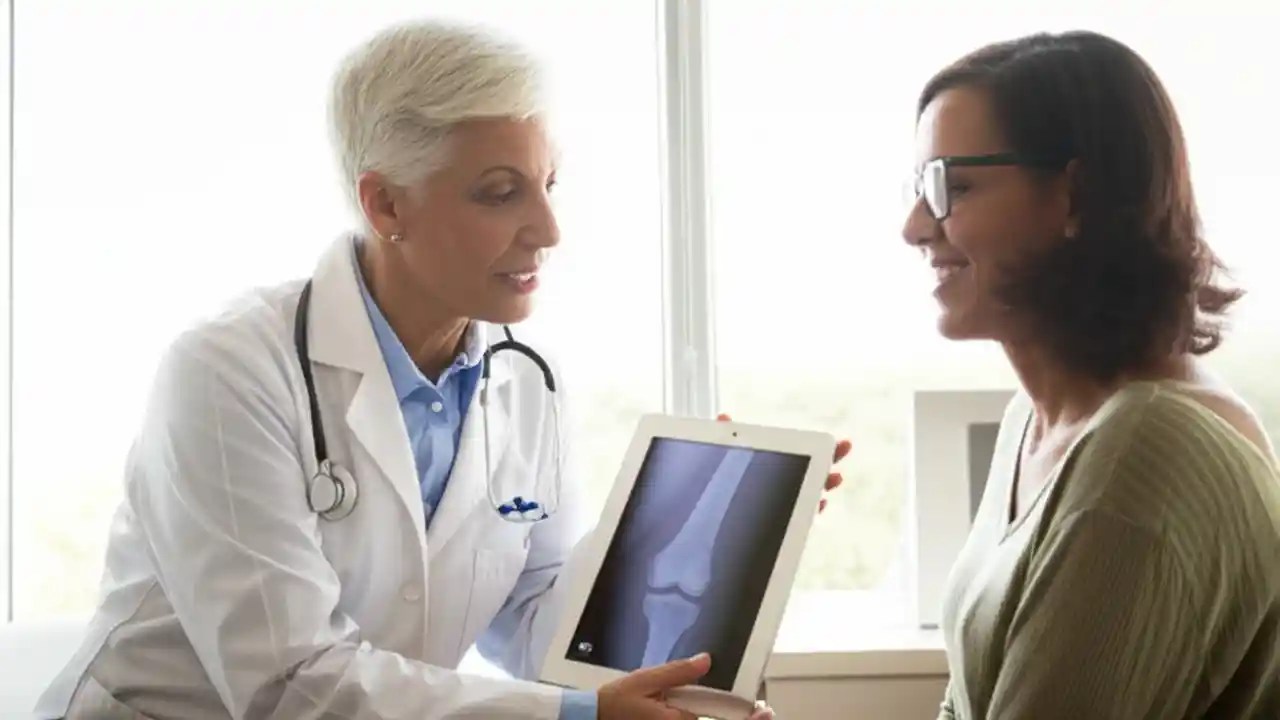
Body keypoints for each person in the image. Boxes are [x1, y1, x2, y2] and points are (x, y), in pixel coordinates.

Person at [35, 20, 844, 720]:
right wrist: (576, 716)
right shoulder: (228, 372)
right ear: (386, 205)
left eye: (549, 183)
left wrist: (669, 524)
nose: (549, 228)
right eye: (500, 193)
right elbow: (289, 686)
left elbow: (536, 631)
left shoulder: (528, 380)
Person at [901, 30, 1280, 719]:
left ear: (1075, 196)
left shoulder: (1150, 452)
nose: (914, 226)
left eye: (952, 187)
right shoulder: (1036, 421)